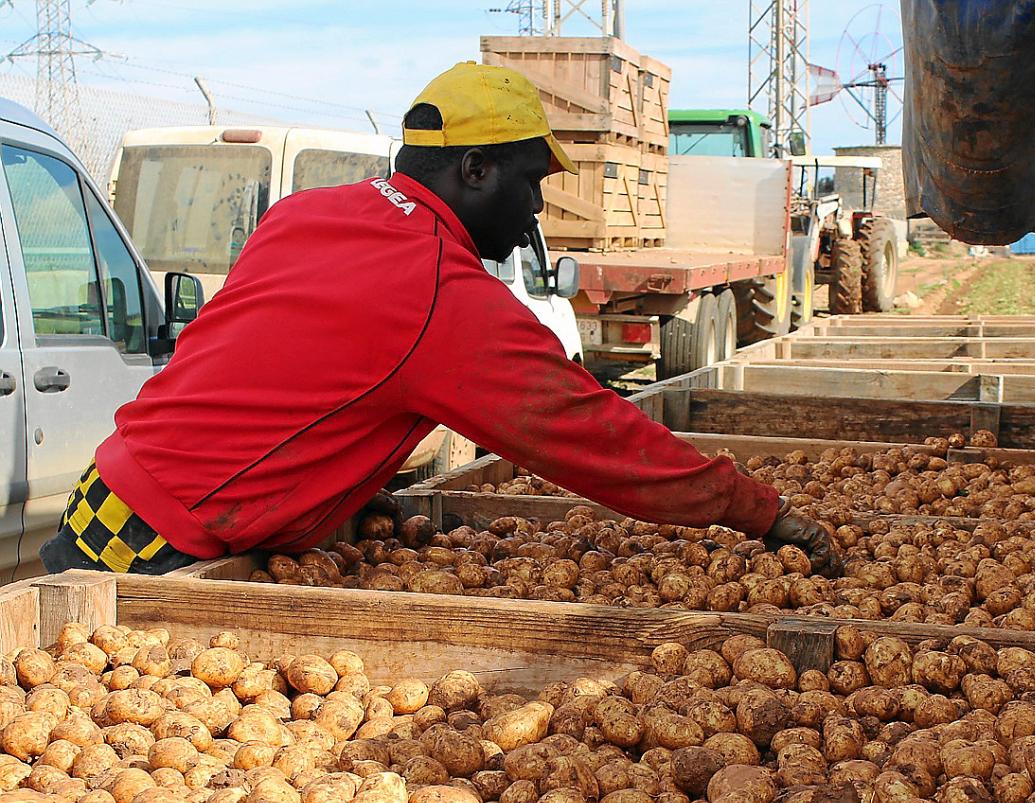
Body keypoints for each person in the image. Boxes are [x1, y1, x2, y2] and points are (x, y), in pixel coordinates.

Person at [41, 62, 838, 578]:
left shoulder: (306, 212)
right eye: (530, 182)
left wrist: (337, 492)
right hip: (162, 550)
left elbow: (273, 379)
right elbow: (597, 438)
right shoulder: (441, 291)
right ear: (476, 169)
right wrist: (757, 511)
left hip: (100, 503)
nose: (534, 208)